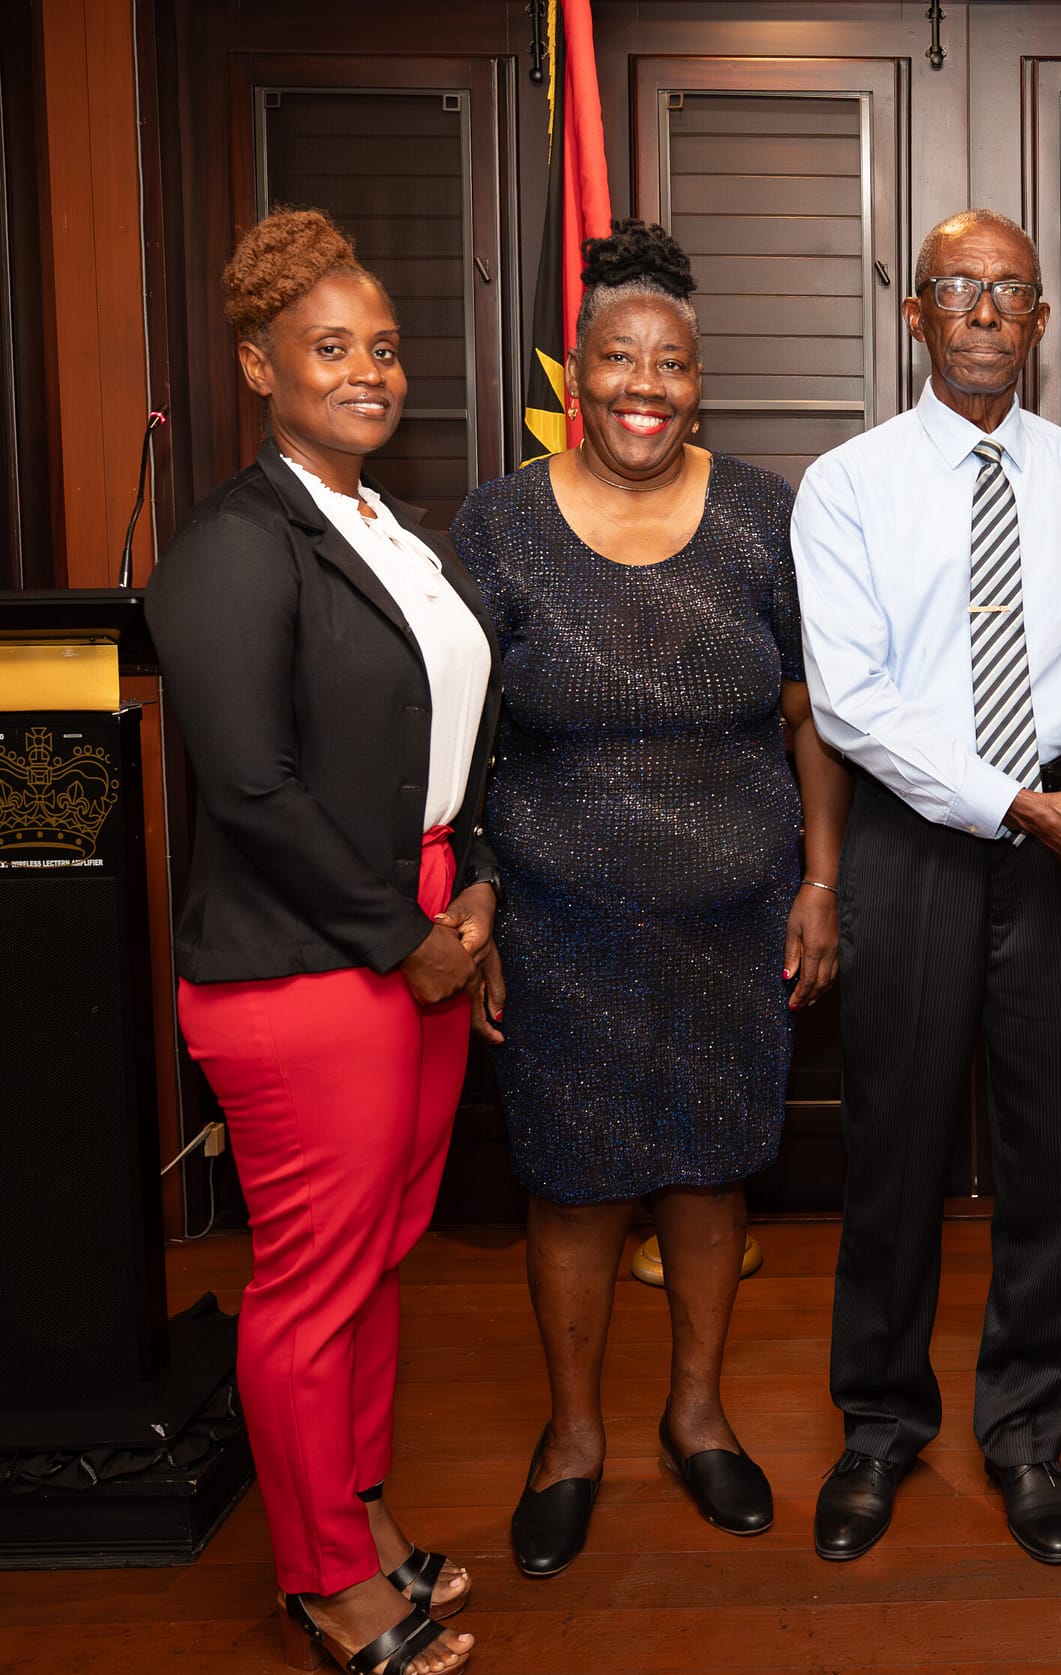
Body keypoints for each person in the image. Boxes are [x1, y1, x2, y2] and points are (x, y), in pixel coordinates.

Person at [451, 221, 852, 1575]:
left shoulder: (762, 514)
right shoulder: (499, 522)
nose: (645, 384)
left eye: (671, 363)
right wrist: (482, 895)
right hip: (560, 927)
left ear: (699, 378)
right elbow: (460, 739)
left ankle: (696, 1415)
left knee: (710, 1169)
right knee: (570, 1188)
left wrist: (818, 880)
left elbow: (810, 716)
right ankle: (572, 1438)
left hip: (736, 920)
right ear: (580, 370)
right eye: (620, 358)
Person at [145, 208, 501, 1675]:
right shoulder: (232, 545)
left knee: (380, 1256)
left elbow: (441, 731)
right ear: (257, 363)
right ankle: (325, 1584)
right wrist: (402, 935)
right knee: (311, 1285)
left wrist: (468, 894)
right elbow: (247, 785)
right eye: (330, 347)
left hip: (418, 928)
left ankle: (353, 1513)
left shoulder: (380, 525)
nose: (370, 370)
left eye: (385, 347)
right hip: (308, 963)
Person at [791, 207, 1061, 1568]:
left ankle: (1027, 1435)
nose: (986, 308)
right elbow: (853, 704)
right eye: (959, 287)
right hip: (920, 835)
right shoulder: (849, 486)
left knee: (1049, 1148)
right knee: (896, 1143)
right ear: (916, 316)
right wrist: (1015, 804)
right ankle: (880, 1424)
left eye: (1011, 289)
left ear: (1041, 319)